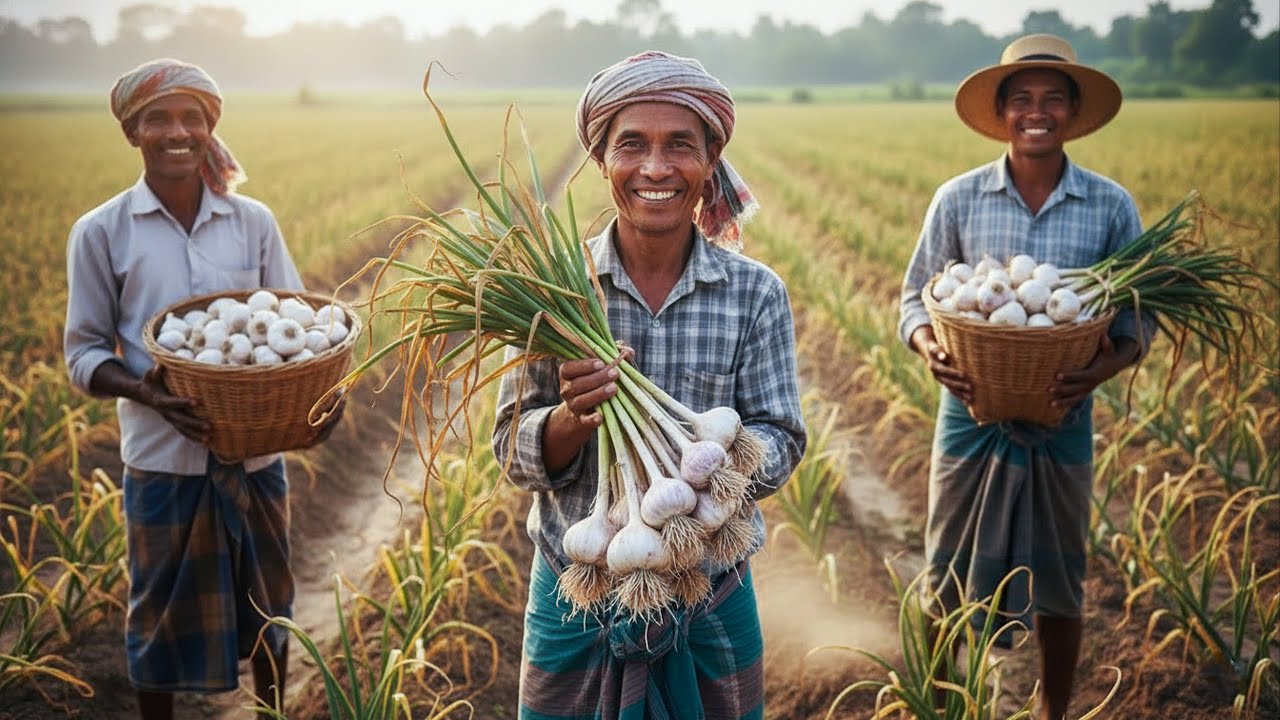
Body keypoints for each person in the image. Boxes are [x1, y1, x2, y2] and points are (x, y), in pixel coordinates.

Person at [491, 50, 806, 719]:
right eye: (631, 145)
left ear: (711, 159)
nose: (656, 169)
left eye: (680, 146)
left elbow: (782, 436)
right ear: (601, 159)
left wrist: (712, 470)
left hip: (710, 588)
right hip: (577, 590)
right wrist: (574, 419)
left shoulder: (755, 294)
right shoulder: (552, 295)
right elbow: (509, 450)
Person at [63, 58, 341, 720]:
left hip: (255, 460)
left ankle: (269, 714)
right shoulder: (102, 232)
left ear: (210, 127)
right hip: (163, 463)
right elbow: (83, 354)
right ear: (134, 132)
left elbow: (300, 330)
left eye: (192, 117)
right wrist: (149, 392)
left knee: (272, 612)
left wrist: (321, 398)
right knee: (157, 620)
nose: (177, 132)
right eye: (158, 118)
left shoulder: (253, 223)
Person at [897, 34, 1151, 720]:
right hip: (970, 413)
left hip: (1063, 416)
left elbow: (1135, 323)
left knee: (1061, 579)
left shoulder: (1110, 206)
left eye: (1052, 100)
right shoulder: (958, 198)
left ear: (1071, 112)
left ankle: (1054, 712)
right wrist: (931, 350)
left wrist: (1095, 372)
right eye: (1022, 100)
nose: (1036, 112)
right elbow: (913, 298)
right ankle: (941, 703)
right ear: (1003, 111)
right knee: (944, 568)